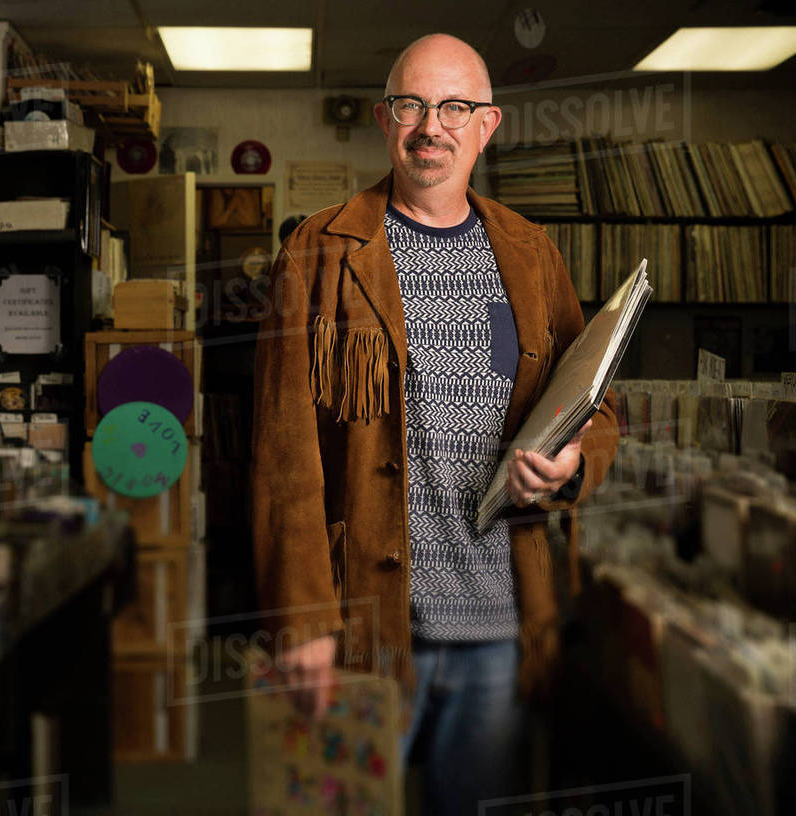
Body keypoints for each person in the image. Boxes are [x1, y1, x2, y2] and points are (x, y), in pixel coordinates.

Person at [250, 33, 621, 813]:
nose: (432, 127)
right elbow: (284, 458)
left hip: (501, 630)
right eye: (414, 105)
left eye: (455, 107)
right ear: (385, 120)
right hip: (364, 630)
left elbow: (596, 406)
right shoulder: (318, 252)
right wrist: (304, 622)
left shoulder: (530, 254)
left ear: (487, 125)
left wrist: (571, 463)